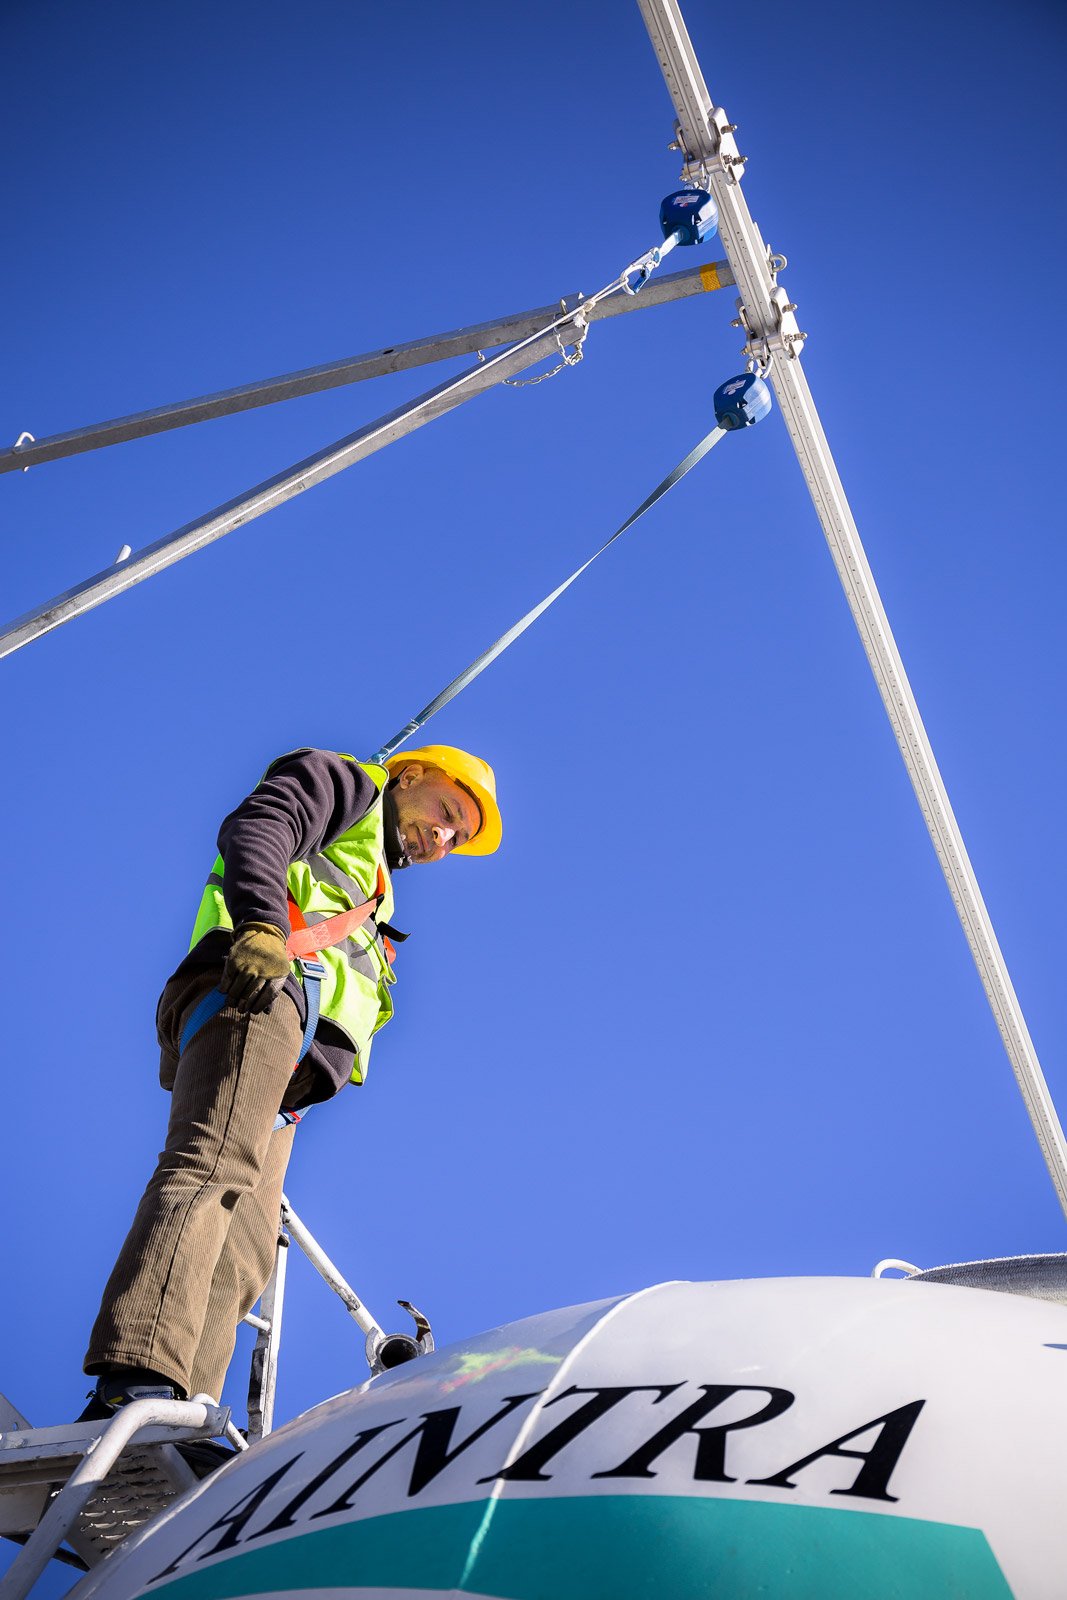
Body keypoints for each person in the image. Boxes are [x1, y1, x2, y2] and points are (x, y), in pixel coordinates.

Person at [80, 743, 500, 1421]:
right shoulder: (346, 785)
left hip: (289, 1072)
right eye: (448, 813)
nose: (444, 838)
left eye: (458, 838)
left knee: (247, 1246)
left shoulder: (376, 883)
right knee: (210, 1168)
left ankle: (187, 1412)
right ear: (410, 774)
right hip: (258, 992)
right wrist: (263, 928)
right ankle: (136, 1376)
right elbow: (258, 827)